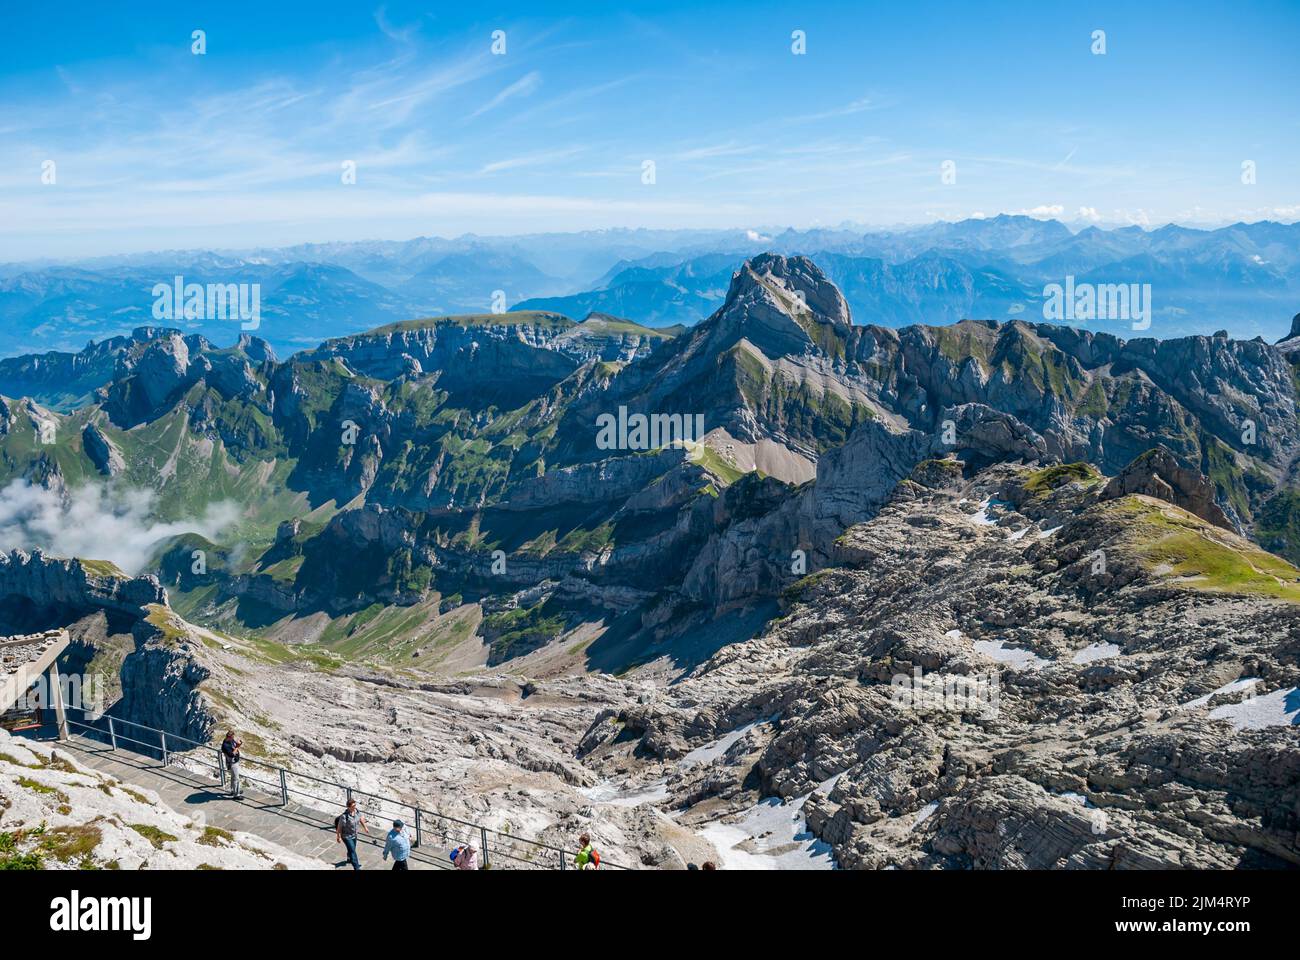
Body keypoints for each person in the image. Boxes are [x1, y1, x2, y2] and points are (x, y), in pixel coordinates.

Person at [335, 798, 368, 870]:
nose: (355, 807)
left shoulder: (357, 812)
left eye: (355, 805)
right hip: (346, 836)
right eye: (353, 806)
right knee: (353, 851)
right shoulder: (344, 816)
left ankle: (349, 858)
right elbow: (339, 828)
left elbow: (360, 819)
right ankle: (356, 867)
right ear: (348, 807)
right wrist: (338, 837)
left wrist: (365, 827)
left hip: (354, 835)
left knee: (351, 849)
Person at [220, 731, 242, 799]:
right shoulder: (225, 745)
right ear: (229, 737)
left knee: (233, 777)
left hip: (234, 761)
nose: (233, 738)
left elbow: (235, 745)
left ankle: (234, 790)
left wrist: (238, 744)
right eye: (232, 737)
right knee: (236, 778)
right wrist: (237, 747)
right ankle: (236, 794)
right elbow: (232, 755)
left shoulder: (231, 740)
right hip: (232, 763)